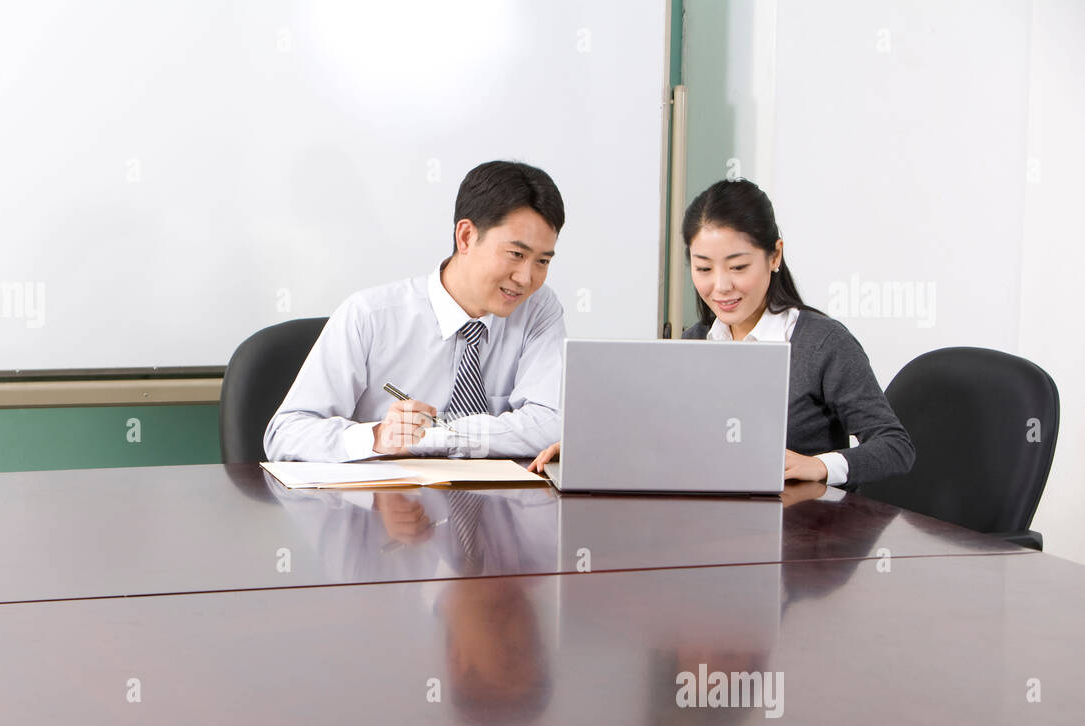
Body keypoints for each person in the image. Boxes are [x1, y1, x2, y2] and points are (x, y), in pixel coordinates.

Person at [531, 179, 915, 489]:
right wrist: (597, 449)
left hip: (803, 542)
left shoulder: (822, 343)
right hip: (710, 535)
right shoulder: (694, 342)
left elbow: (894, 446)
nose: (721, 286)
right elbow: (663, 437)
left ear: (775, 255)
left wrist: (819, 466)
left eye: (738, 267)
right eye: (703, 268)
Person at [265, 160, 566, 462]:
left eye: (543, 261)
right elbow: (286, 433)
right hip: (383, 505)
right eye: (516, 254)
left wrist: (437, 436)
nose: (527, 279)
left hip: (501, 504)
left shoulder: (538, 310)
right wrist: (378, 436)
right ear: (466, 237)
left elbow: (551, 423)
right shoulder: (369, 316)